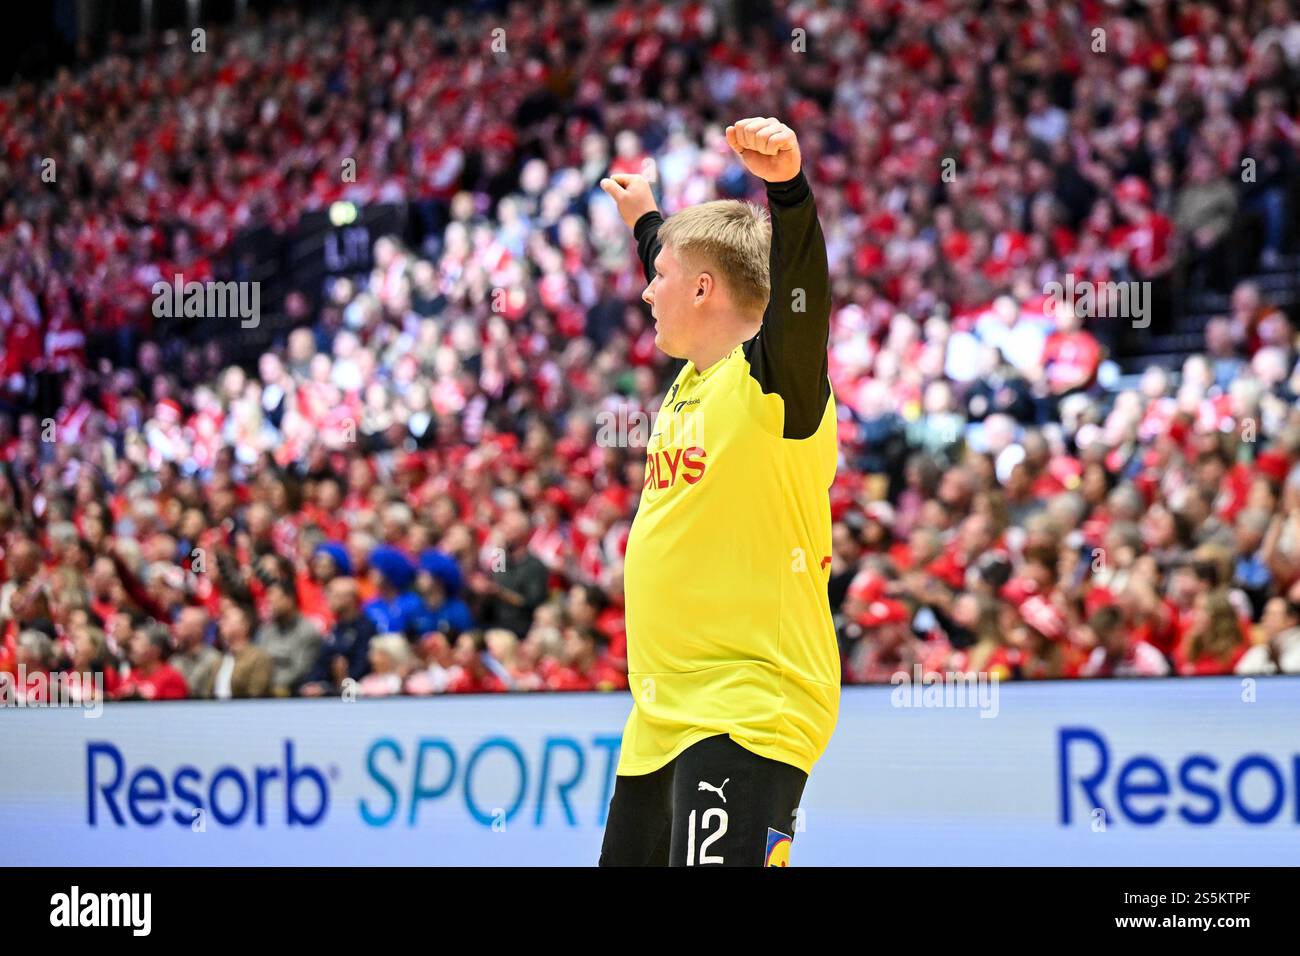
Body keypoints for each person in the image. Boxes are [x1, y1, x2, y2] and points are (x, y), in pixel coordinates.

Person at [597, 117, 839, 867]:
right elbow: (687, 257)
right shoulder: (690, 381)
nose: (645, 289)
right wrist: (645, 220)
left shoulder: (773, 387)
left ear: (702, 289)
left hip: (747, 706)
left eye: (658, 275)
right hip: (662, 719)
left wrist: (788, 192)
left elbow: (803, 304)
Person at [115, 624, 190, 700]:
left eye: (138, 640)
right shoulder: (131, 676)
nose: (131, 645)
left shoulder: (172, 679)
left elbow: (176, 710)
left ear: (155, 650)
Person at [171, 606, 219, 699]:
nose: (176, 627)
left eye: (181, 622)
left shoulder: (214, 661)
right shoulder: (174, 660)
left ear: (197, 630)